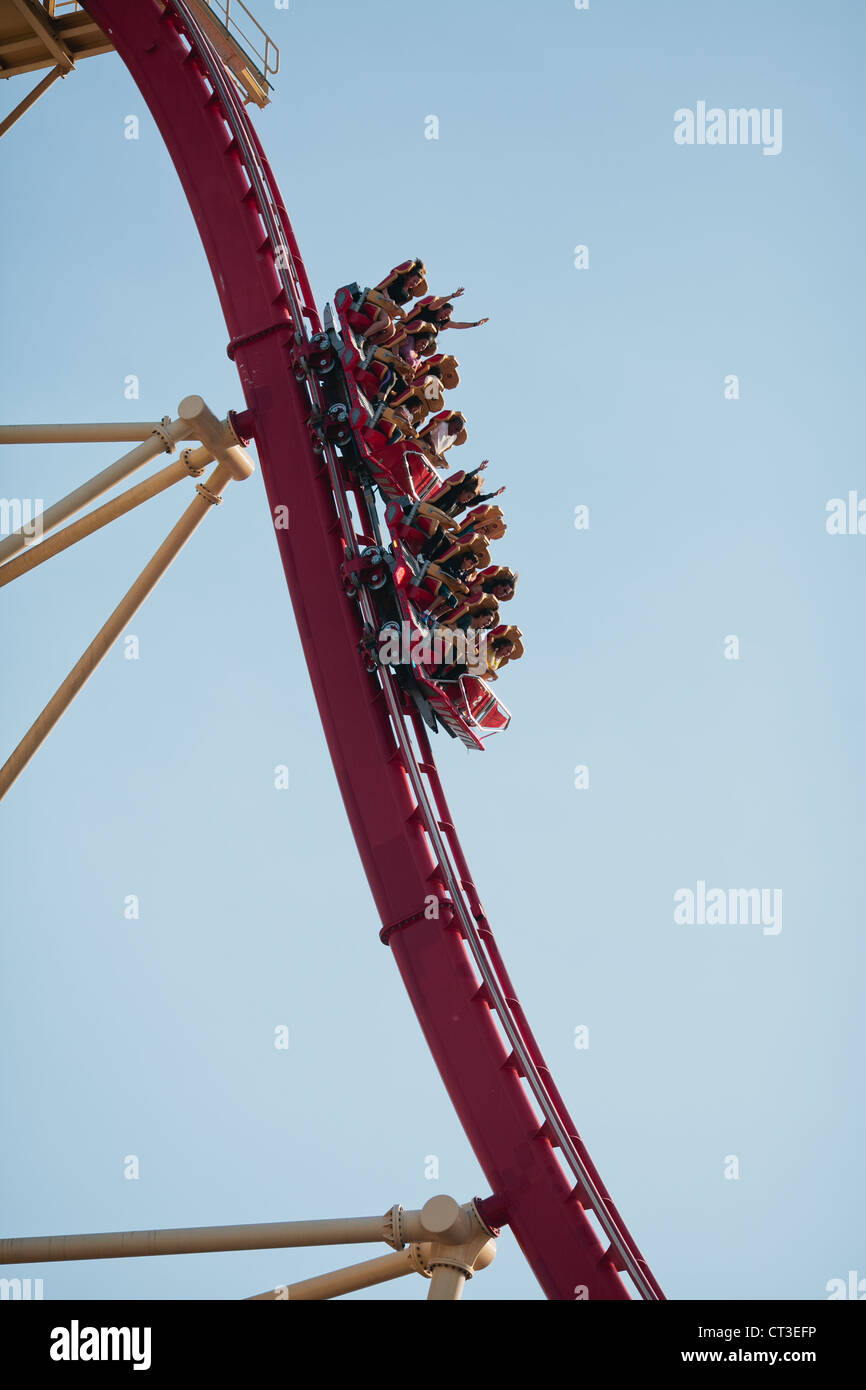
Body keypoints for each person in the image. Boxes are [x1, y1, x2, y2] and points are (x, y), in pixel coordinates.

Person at [410, 290, 489, 332]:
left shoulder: (443, 322)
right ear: (441, 308)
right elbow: (439, 303)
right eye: (446, 313)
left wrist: (475, 324)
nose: (446, 316)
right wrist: (452, 296)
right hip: (412, 328)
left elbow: (457, 325)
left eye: (448, 315)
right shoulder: (432, 309)